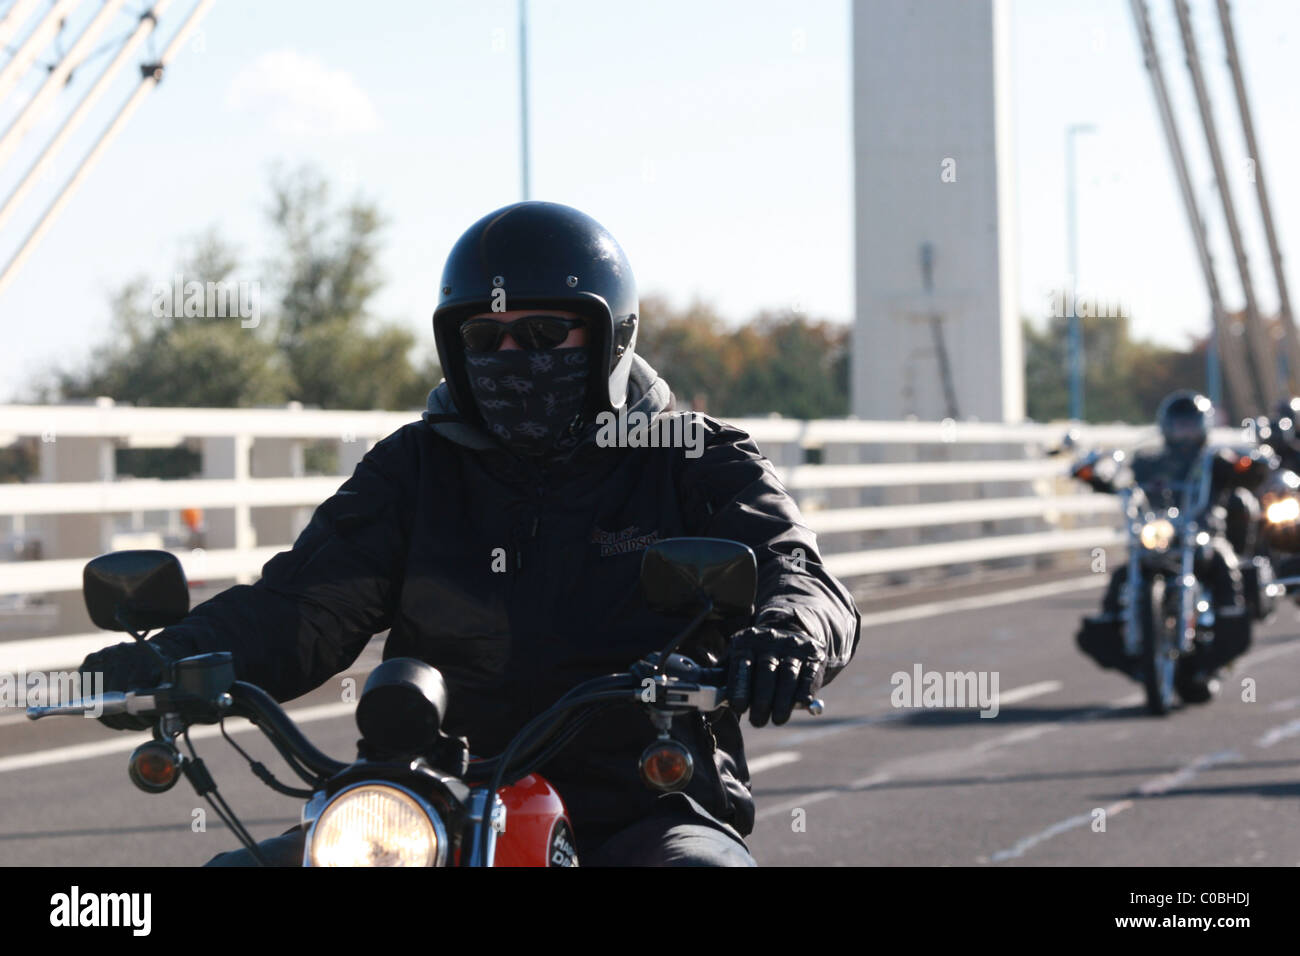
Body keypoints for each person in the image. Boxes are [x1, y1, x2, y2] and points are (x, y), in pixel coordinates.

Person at [78, 201, 862, 867]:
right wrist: (168, 657)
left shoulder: (690, 458)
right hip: (433, 798)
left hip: (642, 809)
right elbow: (299, 609)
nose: (514, 355)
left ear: (610, 339)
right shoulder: (415, 470)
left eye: (547, 335)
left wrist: (788, 632)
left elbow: (798, 572)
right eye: (487, 341)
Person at [1077, 389, 1260, 702]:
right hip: (1161, 534)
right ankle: (1114, 627)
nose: (1184, 432)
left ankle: (1231, 617)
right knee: (1124, 574)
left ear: (1203, 427)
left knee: (1222, 560)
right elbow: (1124, 481)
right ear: (1165, 426)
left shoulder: (1213, 460)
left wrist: (1247, 464)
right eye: (1178, 425)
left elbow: (1246, 469)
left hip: (1202, 534)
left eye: (1190, 425)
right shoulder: (1150, 461)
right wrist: (1096, 474)